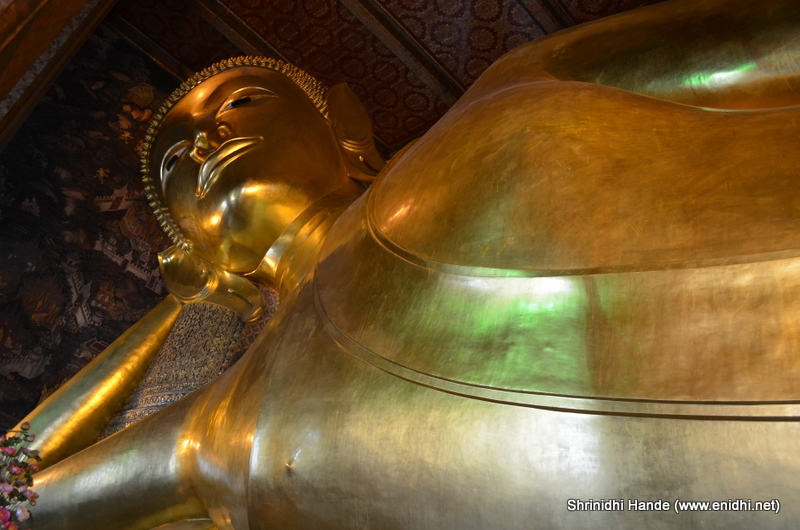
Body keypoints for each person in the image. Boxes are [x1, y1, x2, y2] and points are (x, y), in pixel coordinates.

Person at [24, 0, 800, 527]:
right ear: (193, 263)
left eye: (240, 102)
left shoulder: (509, 90)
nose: (203, 140)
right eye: (173, 170)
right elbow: (13, 492)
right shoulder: (222, 428)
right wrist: (185, 306)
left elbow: (762, 44)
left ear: (347, 131)